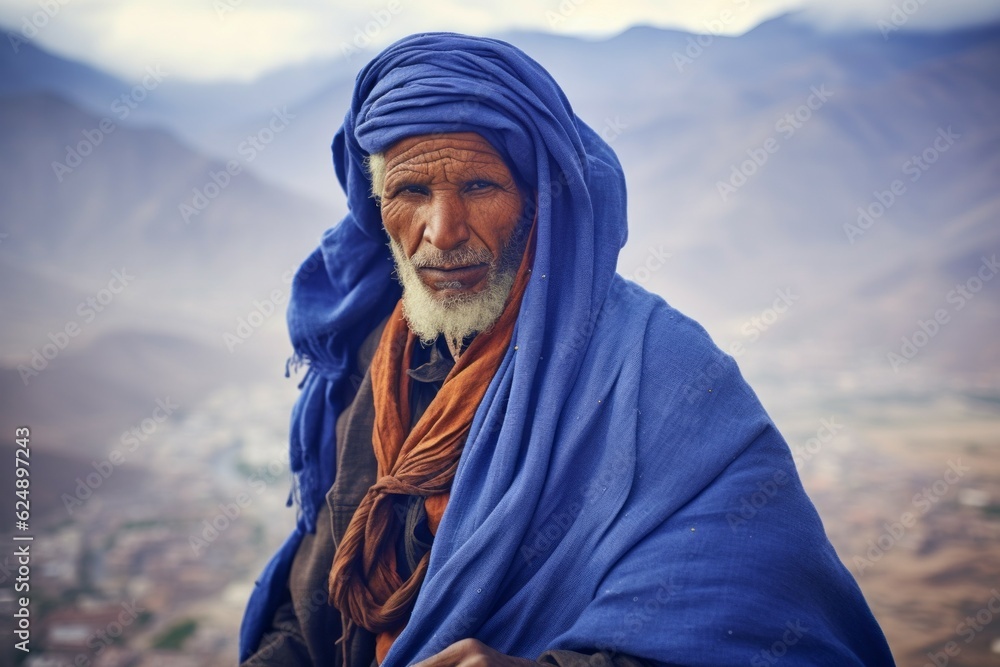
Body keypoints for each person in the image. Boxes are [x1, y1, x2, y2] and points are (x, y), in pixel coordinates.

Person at [239, 32, 895, 667]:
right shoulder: (376, 356)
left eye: (479, 187)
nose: (442, 232)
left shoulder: (663, 370)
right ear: (379, 203)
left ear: (535, 200)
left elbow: (764, 623)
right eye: (412, 192)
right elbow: (318, 599)